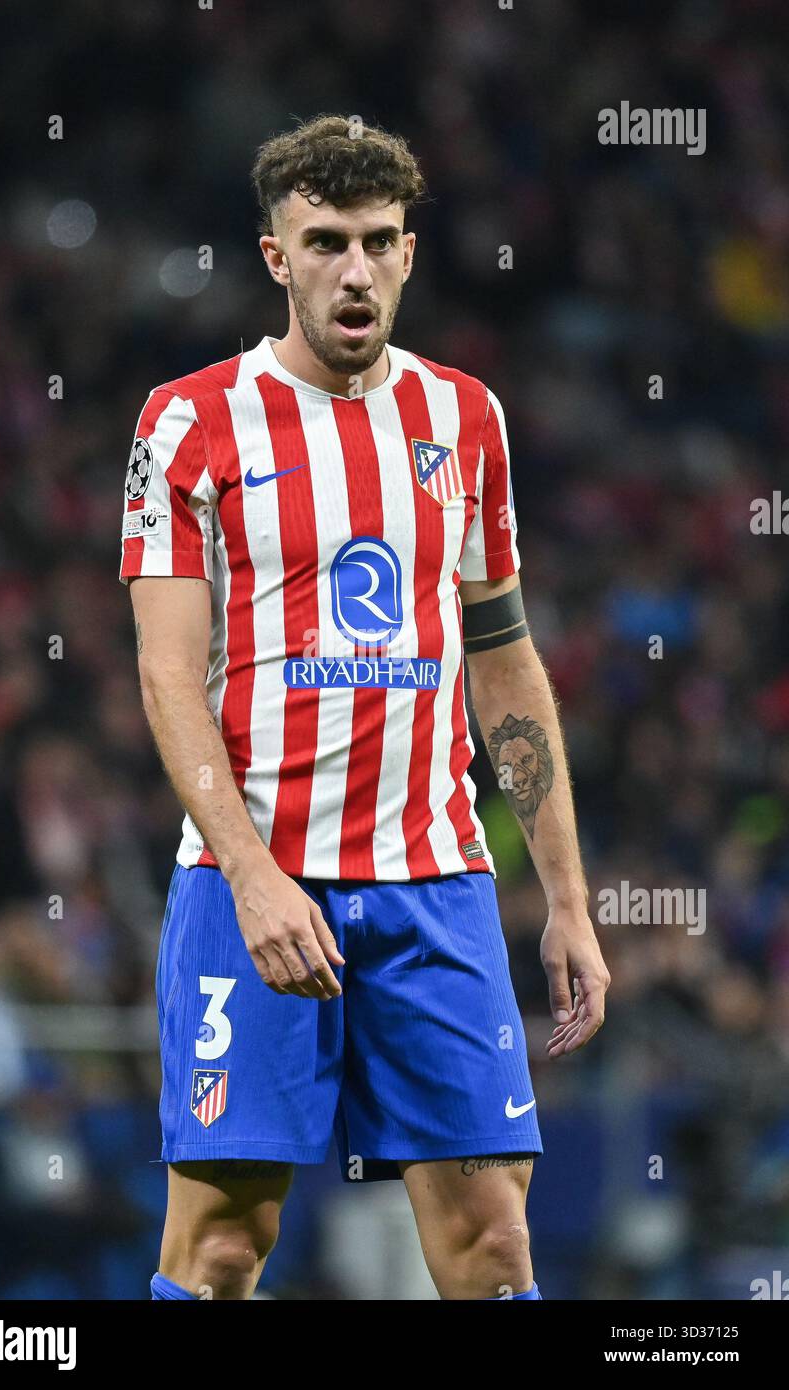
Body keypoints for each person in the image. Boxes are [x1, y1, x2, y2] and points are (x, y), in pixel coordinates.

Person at [122, 115, 610, 1302]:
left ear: (408, 251)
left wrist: (568, 902)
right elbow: (166, 673)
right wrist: (248, 873)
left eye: (379, 242)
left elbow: (503, 661)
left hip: (435, 886)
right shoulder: (187, 422)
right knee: (224, 1248)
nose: (355, 270)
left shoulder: (466, 418)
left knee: (494, 1244)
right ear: (275, 256)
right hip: (251, 885)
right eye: (325, 241)